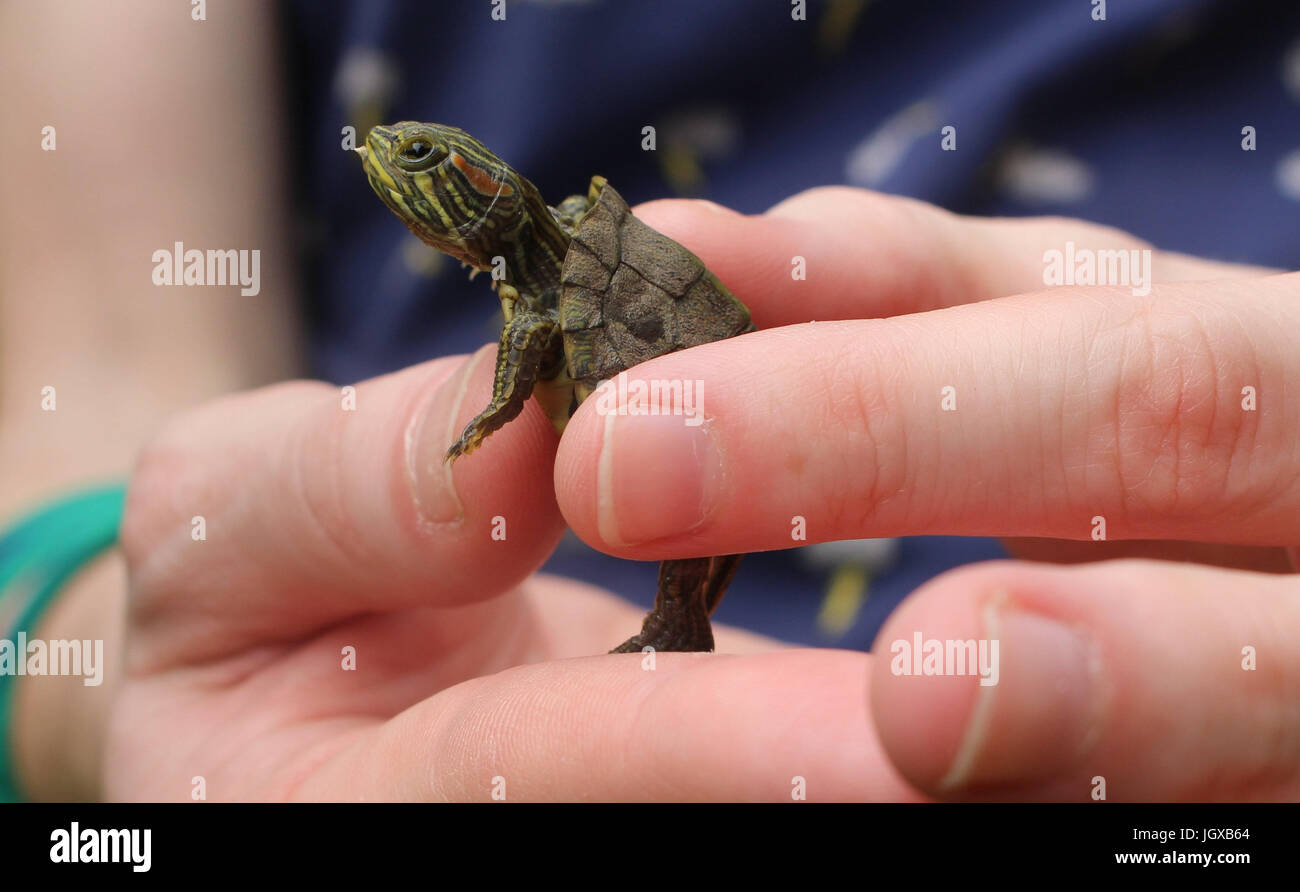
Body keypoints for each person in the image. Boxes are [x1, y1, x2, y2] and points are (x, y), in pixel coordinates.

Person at [2, 1, 1297, 801]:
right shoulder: (538, 280)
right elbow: (99, 382)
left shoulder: (557, 275)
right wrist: (104, 659)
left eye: (432, 172)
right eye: (419, 171)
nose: (409, 179)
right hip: (462, 655)